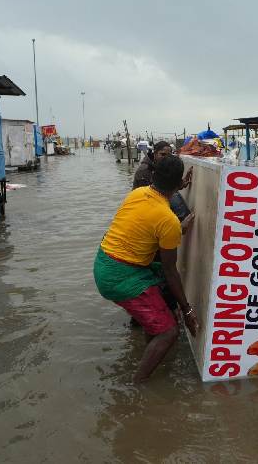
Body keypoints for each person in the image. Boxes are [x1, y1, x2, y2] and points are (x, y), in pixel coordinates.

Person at [94, 155, 198, 383]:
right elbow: (172, 271)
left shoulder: (138, 194)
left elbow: (152, 217)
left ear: (153, 176)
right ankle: (138, 386)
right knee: (169, 331)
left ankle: (149, 347)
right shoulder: (168, 220)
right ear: (176, 183)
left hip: (104, 262)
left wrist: (179, 185)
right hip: (121, 275)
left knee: (158, 317)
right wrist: (188, 311)